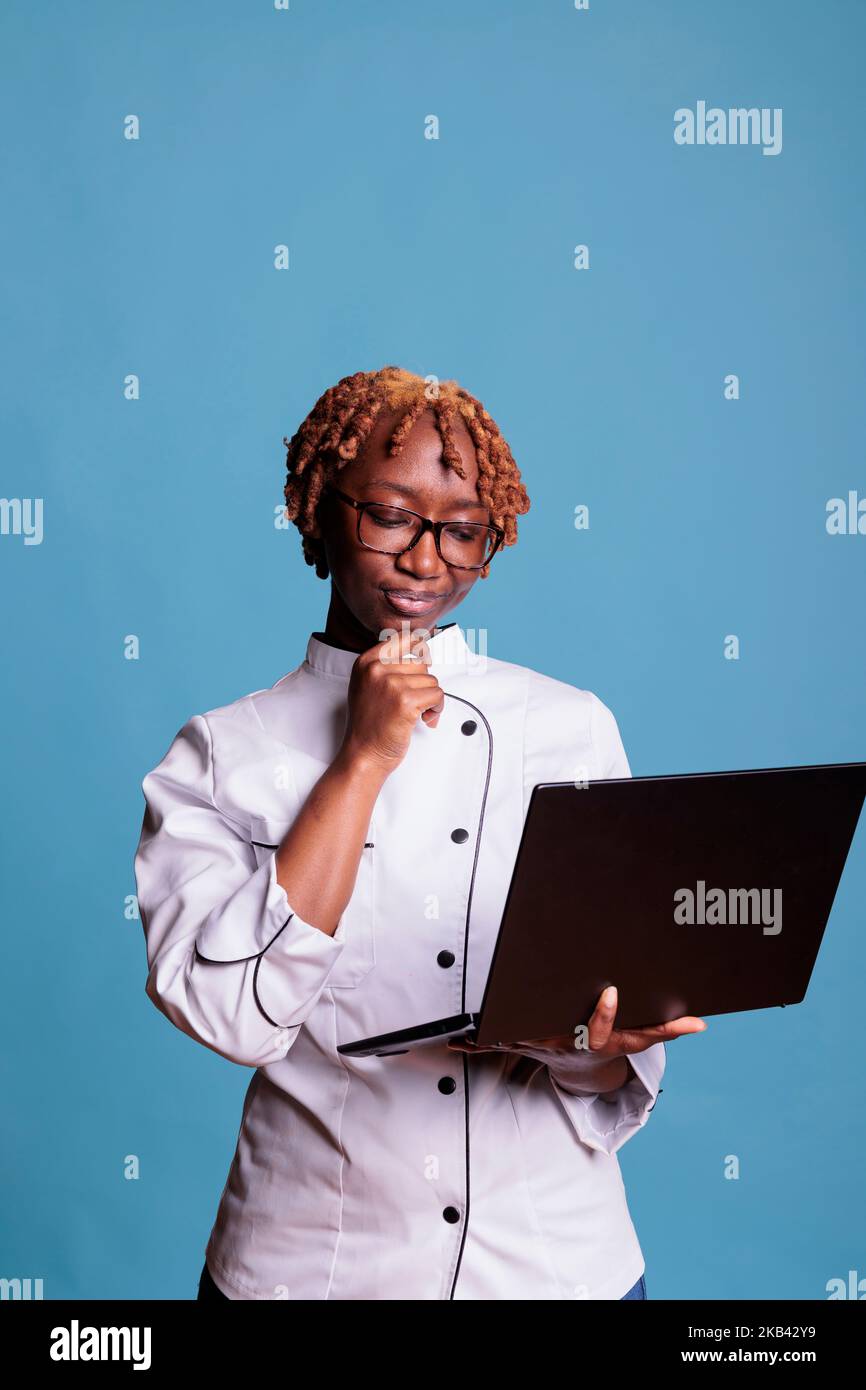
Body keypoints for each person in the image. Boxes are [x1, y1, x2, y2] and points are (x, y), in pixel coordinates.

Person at [133, 365, 706, 1301]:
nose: (425, 560)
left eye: (462, 531)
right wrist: (359, 761)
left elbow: (607, 1055)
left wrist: (602, 1044)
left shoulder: (569, 726)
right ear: (323, 510)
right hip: (313, 1273)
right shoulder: (220, 753)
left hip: (558, 1271)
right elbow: (231, 1015)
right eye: (391, 516)